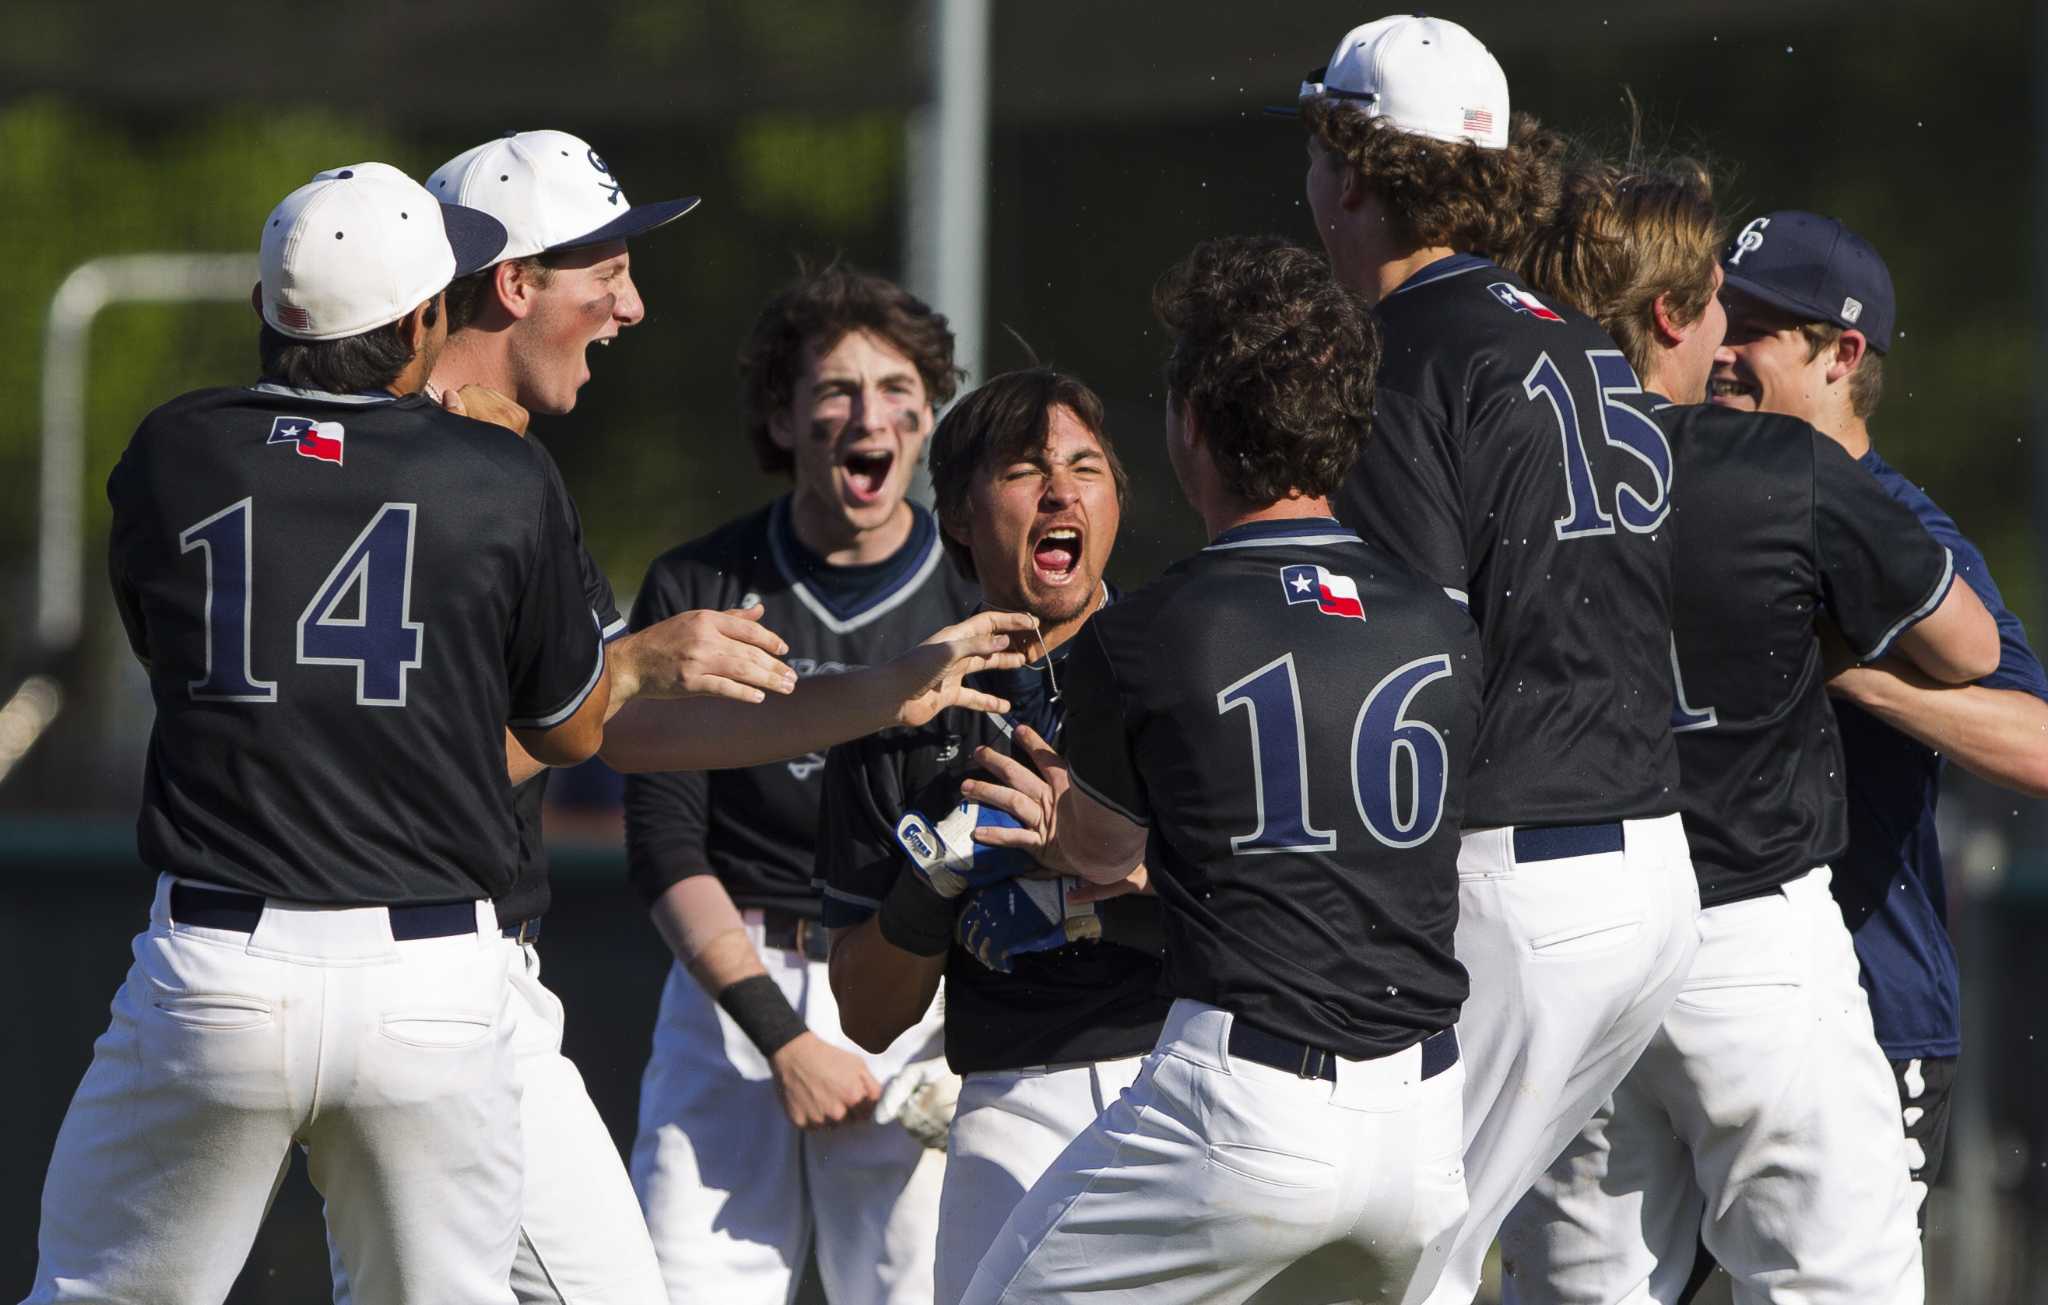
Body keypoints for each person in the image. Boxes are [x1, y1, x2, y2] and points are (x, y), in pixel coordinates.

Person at [25, 163, 608, 1305]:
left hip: (222, 968)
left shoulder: (171, 452)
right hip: (433, 981)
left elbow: (173, 654)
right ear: (427, 321)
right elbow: (572, 729)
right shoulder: (501, 475)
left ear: (261, 311)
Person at [1496, 160, 1999, 1304]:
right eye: (1725, 301)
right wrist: (1830, 650)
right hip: (1745, 925)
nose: (1730, 336)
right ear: (1674, 311)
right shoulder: (1779, 465)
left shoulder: (1501, 469)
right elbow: (1968, 652)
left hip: (1569, 934)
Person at [957, 235, 1479, 1304]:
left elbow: (1102, 846)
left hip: (1248, 1103)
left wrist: (1059, 831)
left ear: (1189, 423)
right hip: (1426, 1132)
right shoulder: (1443, 621)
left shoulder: (1149, 631)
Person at [1289, 17, 1700, 1302]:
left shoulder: (1398, 351)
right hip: (1643, 873)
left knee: (1373, 1265)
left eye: (1320, 146)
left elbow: (1407, 655)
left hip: (1513, 877)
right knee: (1529, 1261)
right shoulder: (1575, 333)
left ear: (1352, 172)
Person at [623, 264, 986, 1305]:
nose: (863, 414)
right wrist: (781, 1038)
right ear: (782, 419)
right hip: (730, 995)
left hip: (917, 996)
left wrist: (954, 1038)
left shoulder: (971, 591)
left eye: (893, 388)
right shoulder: (698, 586)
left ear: (926, 414)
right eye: (832, 390)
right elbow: (663, 840)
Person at [1711, 211, 2048, 1235]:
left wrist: (1855, 676)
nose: (1719, 347)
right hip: (1698, 999)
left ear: (1841, 355)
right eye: (1717, 314)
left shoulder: (1899, 524)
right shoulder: (1693, 495)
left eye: (1756, 326)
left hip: (1869, 1007)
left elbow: (2036, 742)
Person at [817, 366, 1172, 1304]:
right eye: (1024, 470)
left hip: (1189, 1074)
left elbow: (1281, 905)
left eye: (1084, 467)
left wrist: (1113, 857)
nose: (1060, 490)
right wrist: (931, 883)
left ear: (1116, 504)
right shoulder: (907, 708)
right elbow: (867, 1012)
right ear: (962, 517)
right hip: (1016, 1092)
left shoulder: (1183, 666)